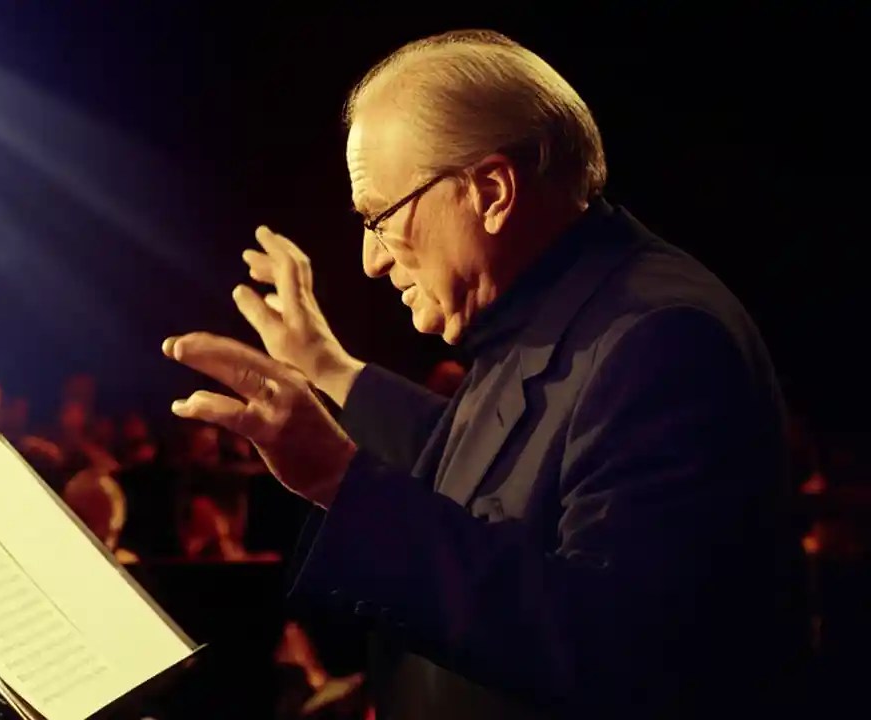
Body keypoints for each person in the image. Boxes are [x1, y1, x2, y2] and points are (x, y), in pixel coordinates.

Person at [162, 29, 806, 718]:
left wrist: (338, 479)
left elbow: (615, 649)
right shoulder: (565, 306)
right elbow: (492, 465)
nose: (370, 261)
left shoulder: (662, 337)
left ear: (492, 191)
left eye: (379, 218)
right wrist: (330, 368)